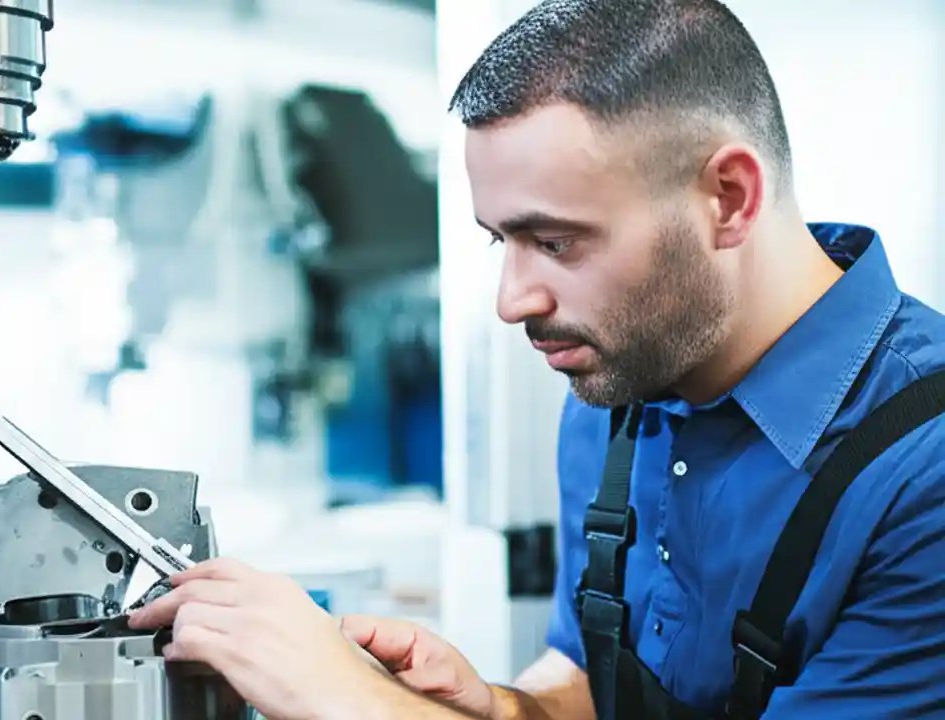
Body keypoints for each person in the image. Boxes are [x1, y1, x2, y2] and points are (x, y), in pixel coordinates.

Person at [129, 0, 945, 717]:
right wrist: (502, 709)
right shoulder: (619, 387)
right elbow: (586, 685)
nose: (513, 300)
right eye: (502, 241)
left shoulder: (923, 474)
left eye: (555, 241)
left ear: (728, 198)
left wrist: (354, 702)